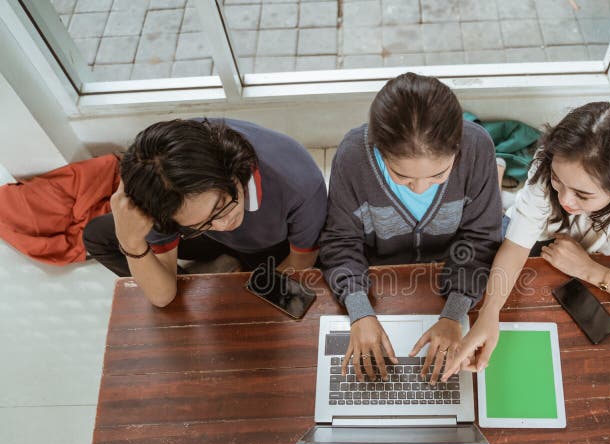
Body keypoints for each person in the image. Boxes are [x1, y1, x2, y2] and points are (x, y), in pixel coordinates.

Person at [442, 101, 610, 380]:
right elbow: (516, 245)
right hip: (548, 240)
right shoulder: (552, 160)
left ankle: (501, 183)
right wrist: (489, 314)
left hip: (603, 264)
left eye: (583, 194)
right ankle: (504, 192)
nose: (564, 199)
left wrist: (590, 271)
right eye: (557, 180)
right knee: (485, 260)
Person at [319, 72, 502, 384]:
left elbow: (481, 238)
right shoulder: (352, 157)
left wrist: (454, 314)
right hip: (378, 281)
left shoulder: (477, 147)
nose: (420, 188)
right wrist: (359, 310)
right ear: (378, 149)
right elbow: (340, 241)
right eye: (402, 176)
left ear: (458, 148)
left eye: (439, 175)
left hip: (454, 276)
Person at [83, 118, 327, 307]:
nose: (223, 225)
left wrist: (242, 301)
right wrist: (132, 243)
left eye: (220, 205)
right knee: (97, 234)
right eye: (206, 221)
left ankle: (222, 267)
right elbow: (162, 297)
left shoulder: (299, 183)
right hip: (201, 235)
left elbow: (301, 260)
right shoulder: (162, 188)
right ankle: (191, 282)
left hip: (267, 246)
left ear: (233, 169)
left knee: (284, 301)